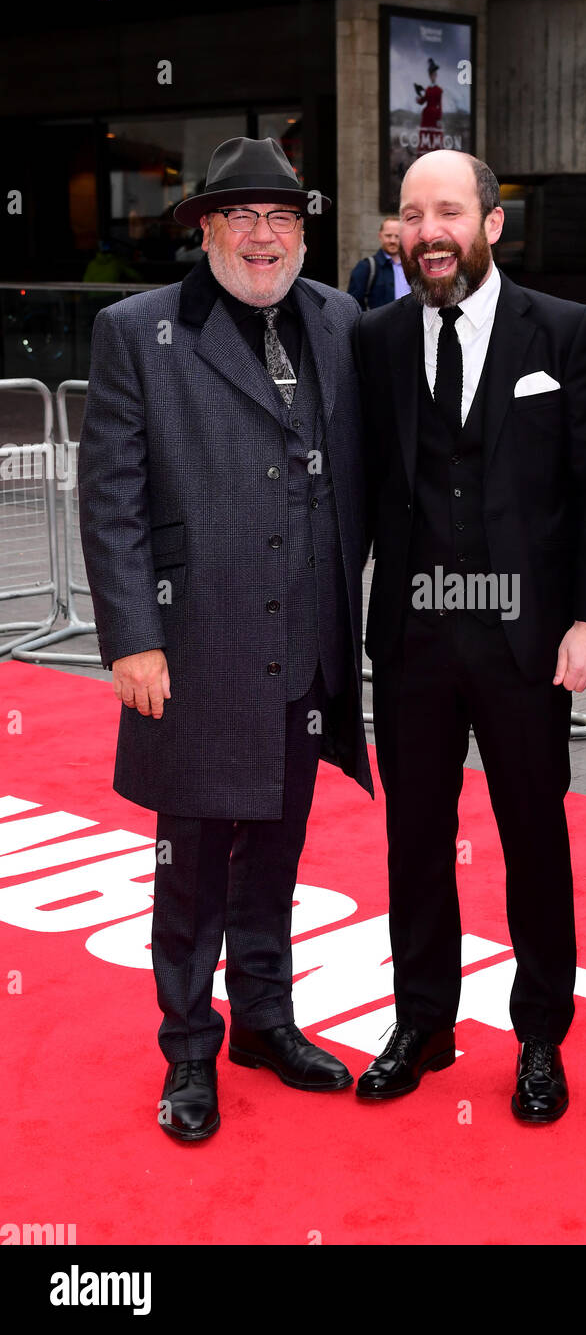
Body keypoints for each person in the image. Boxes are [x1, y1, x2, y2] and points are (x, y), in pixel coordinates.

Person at [79, 137, 372, 1142]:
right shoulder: (137, 332)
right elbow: (111, 497)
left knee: (278, 852)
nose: (263, 235)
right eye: (240, 216)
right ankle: (188, 1050)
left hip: (306, 649)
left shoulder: (337, 318)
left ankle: (264, 1020)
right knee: (191, 862)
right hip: (192, 646)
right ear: (204, 229)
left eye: (281, 217)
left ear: (302, 232)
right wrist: (132, 636)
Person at [354, 149, 586, 1122]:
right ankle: (423, 1020)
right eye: (415, 214)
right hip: (415, 639)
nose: (431, 231)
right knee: (414, 838)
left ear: (491, 224)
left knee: (533, 839)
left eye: (450, 212)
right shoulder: (374, 338)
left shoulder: (563, 330)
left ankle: (539, 1033)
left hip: (524, 643)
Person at [347, 217, 410, 309]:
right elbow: (352, 305)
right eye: (388, 235)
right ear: (380, 236)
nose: (392, 240)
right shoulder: (366, 267)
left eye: (397, 236)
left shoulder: (413, 267)